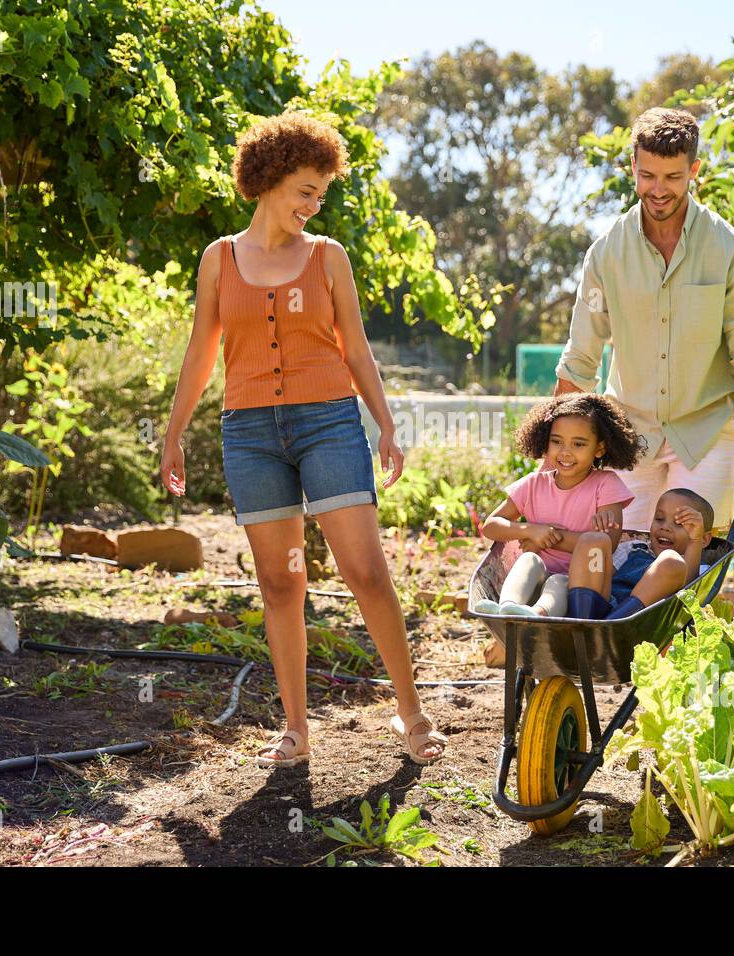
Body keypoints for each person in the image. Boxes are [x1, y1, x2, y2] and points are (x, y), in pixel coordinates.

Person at [159, 112, 446, 768]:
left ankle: (412, 712)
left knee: (365, 570)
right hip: (251, 432)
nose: (314, 206)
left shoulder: (328, 258)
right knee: (280, 582)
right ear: (267, 180)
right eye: (304, 191)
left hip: (328, 422)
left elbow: (357, 349)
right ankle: (295, 729)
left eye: (322, 194)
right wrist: (174, 434)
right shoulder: (219, 259)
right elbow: (202, 352)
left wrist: (388, 424)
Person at [554, 107, 734, 542]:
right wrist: (552, 460)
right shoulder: (607, 254)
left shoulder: (730, 252)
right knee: (624, 561)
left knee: (688, 565)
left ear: (693, 170)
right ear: (633, 167)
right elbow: (580, 360)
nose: (658, 190)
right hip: (628, 434)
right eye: (648, 175)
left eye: (673, 177)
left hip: (705, 433)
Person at [474, 393, 643, 617]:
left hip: (580, 586)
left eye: (579, 444)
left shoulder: (606, 484)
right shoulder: (533, 484)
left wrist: (551, 536)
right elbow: (491, 526)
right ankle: (506, 607)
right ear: (546, 441)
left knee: (558, 581)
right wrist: (530, 530)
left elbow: (606, 544)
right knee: (528, 560)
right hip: (533, 583)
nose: (565, 452)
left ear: (599, 449)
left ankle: (537, 615)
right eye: (556, 441)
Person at [565, 488, 714, 621]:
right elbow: (598, 576)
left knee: (672, 562)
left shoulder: (699, 566)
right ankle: (580, 626)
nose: (665, 527)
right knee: (592, 540)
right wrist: (602, 529)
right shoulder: (634, 548)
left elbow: (689, 592)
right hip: (599, 609)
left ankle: (610, 629)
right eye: (659, 519)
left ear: (704, 540)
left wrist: (695, 541)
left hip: (639, 622)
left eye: (679, 524)